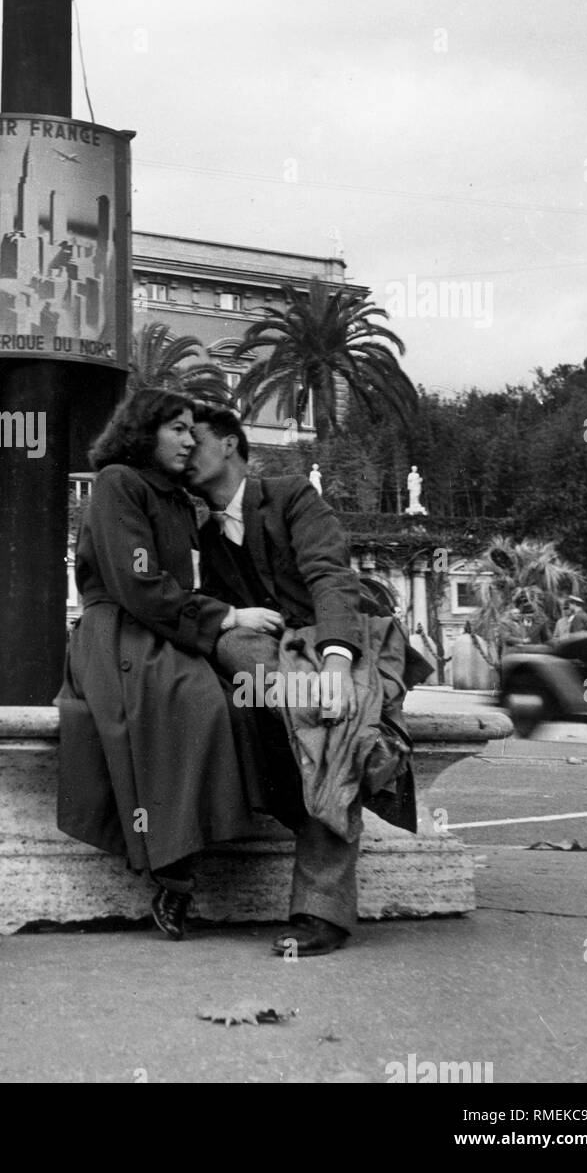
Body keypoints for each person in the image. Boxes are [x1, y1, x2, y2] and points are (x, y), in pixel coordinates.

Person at [186, 407, 421, 958]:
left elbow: (329, 576)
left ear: (227, 444)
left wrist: (336, 664)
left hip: (330, 645)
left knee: (327, 723)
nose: (182, 454)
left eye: (192, 440)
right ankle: (316, 716)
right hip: (265, 656)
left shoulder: (291, 495)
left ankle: (321, 911)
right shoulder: (202, 534)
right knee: (231, 641)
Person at [55, 389, 270, 941]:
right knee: (197, 703)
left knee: (234, 704)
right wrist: (225, 618)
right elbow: (137, 584)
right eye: (176, 428)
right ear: (143, 431)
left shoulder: (179, 500)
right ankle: (173, 871)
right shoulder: (117, 483)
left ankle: (181, 857)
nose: (188, 439)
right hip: (121, 632)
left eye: (192, 431)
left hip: (164, 630)